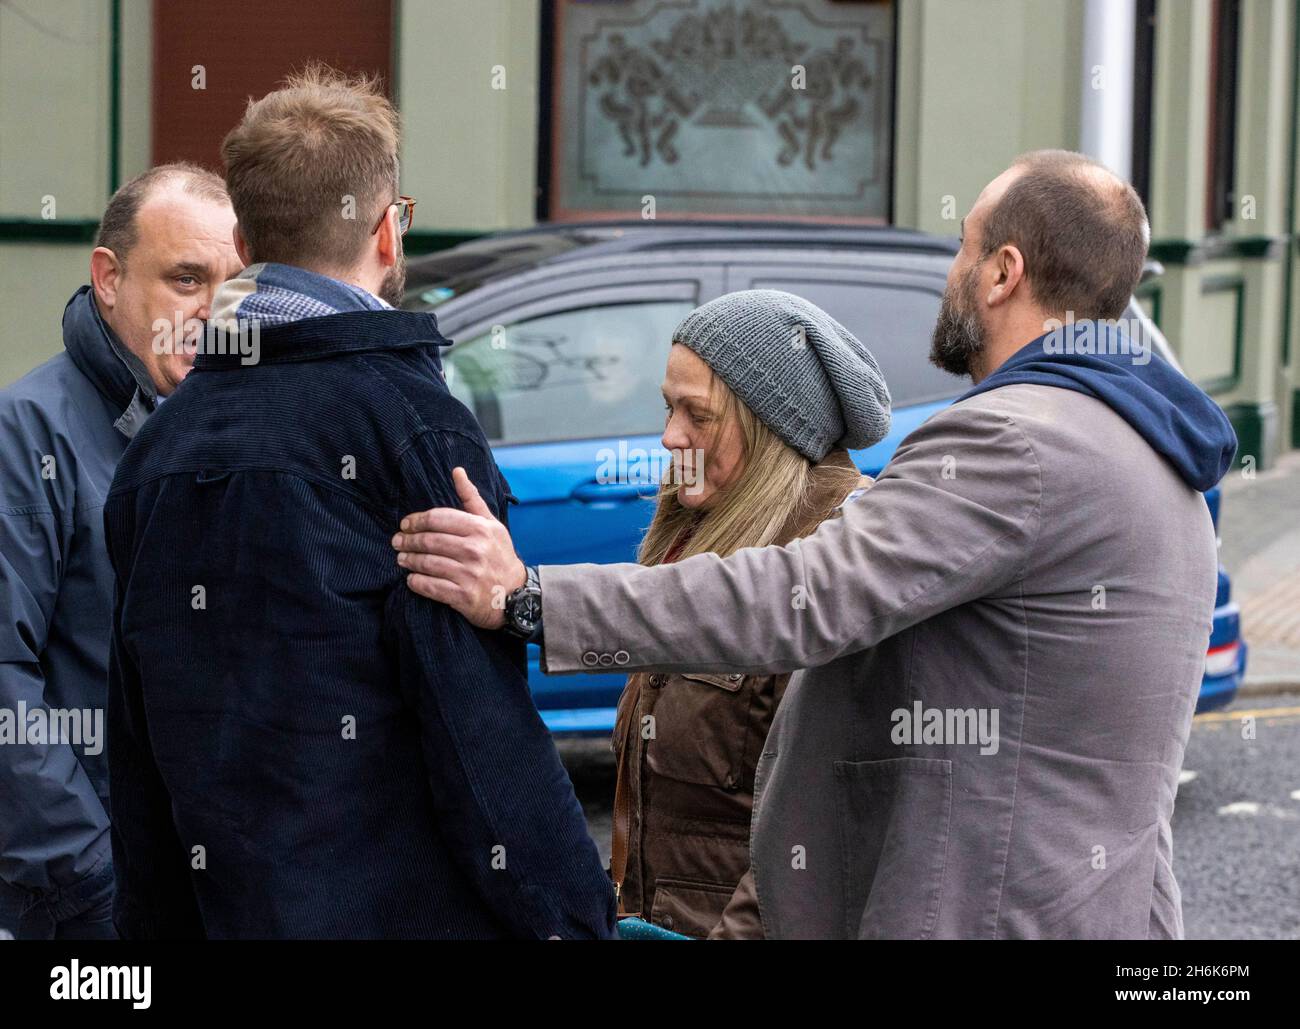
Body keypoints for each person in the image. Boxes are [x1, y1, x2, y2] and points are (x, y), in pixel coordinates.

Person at [392, 150, 1239, 939]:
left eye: (963, 245)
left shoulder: (1011, 442)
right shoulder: (1159, 453)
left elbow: (801, 595)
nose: (954, 268)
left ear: (1003, 272)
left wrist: (529, 597)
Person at [103, 65, 614, 939]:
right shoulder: (412, 427)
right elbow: (477, 728)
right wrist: (574, 916)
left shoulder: (158, 447)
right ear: (386, 229)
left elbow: (137, 742)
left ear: (246, 239)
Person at [0, 164, 239, 939]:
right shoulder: (26, 434)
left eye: (233, 285)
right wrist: (94, 885)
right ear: (109, 279)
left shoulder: (238, 428)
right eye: (185, 279)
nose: (214, 313)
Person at [607, 291, 885, 937]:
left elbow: (819, 839)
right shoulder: (698, 528)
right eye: (669, 407)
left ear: (770, 426)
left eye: (697, 414)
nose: (669, 436)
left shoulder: (835, 562)